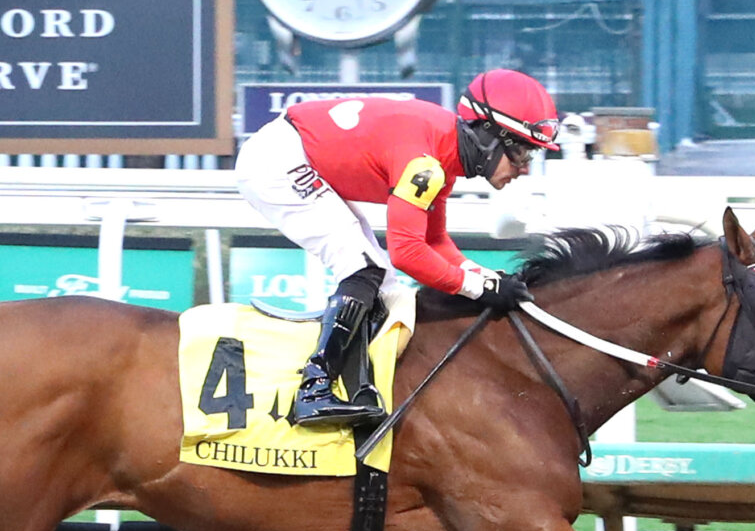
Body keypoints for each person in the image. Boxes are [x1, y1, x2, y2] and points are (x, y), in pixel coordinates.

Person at [232, 68, 562, 428]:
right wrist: (480, 288)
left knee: (384, 289)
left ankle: (360, 392)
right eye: (520, 153)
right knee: (365, 271)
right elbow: (406, 253)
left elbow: (434, 242)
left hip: (291, 151)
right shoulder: (425, 163)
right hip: (276, 162)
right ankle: (314, 388)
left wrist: (485, 277)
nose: (524, 168)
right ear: (488, 135)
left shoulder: (443, 157)